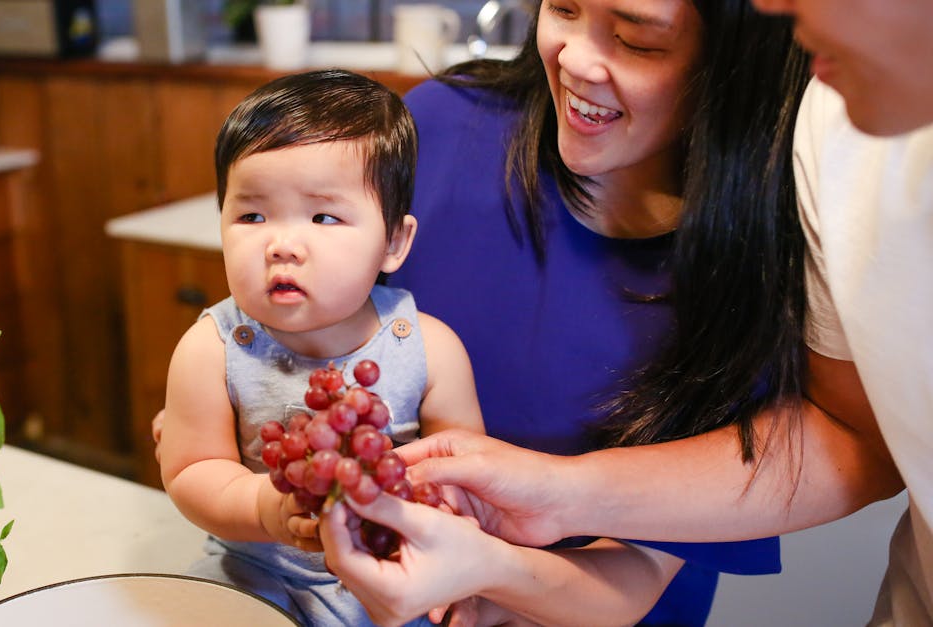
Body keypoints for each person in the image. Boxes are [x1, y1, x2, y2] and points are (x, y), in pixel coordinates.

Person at [322, 0, 928, 624]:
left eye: (637, 41)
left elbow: (638, 576)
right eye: (562, 9)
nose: (576, 60)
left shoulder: (757, 254)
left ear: (732, 61)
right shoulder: (437, 129)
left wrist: (495, 574)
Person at [155, 69, 486, 627]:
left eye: (323, 216)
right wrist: (263, 508)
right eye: (251, 215)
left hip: (393, 573)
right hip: (257, 573)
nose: (281, 244)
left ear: (394, 242)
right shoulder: (210, 350)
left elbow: (466, 473)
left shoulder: (430, 348)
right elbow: (191, 471)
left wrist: (446, 534)